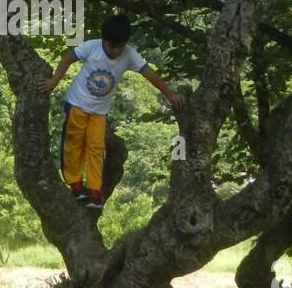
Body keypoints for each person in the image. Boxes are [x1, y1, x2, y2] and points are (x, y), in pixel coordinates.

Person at [38, 14, 186, 209]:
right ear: (104, 40)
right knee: (74, 144)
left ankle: (94, 190)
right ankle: (75, 185)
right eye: (112, 46)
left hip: (100, 111)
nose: (116, 51)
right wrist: (54, 81)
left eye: (120, 47)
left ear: (126, 43)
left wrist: (170, 93)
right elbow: (67, 59)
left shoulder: (130, 55)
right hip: (77, 104)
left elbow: (149, 73)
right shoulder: (91, 47)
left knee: (96, 147)